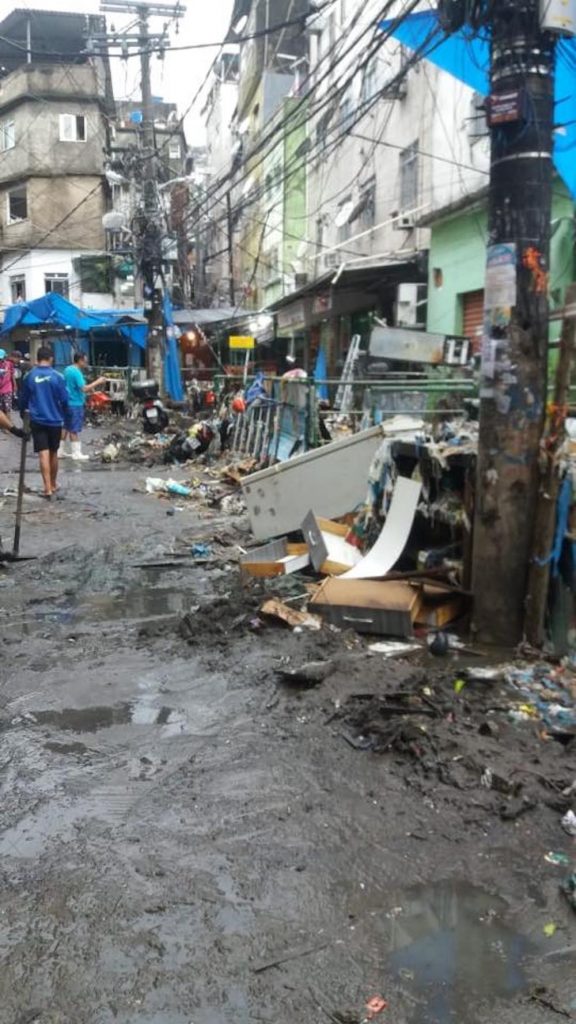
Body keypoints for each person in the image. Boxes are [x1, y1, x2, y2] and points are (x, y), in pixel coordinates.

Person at [19, 346, 69, 499]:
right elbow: (65, 400)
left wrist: (23, 414)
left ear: (38, 358)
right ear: (51, 358)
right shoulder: (58, 377)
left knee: (43, 453)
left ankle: (46, 487)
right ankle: (53, 484)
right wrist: (65, 418)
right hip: (55, 420)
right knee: (53, 453)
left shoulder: (29, 376)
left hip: (37, 420)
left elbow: (23, 400)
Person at [61, 352, 107, 461]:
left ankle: (60, 450)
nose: (86, 363)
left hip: (67, 402)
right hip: (75, 403)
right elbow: (84, 388)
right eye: (85, 361)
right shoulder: (76, 372)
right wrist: (98, 381)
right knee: (74, 429)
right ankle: (76, 453)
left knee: (65, 427)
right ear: (80, 360)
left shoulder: (67, 369)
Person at [0, 347, 16, 415]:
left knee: (7, 409)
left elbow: (12, 375)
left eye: (1, 358)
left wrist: (15, 385)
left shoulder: (9, 364)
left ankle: (8, 424)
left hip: (7, 389)